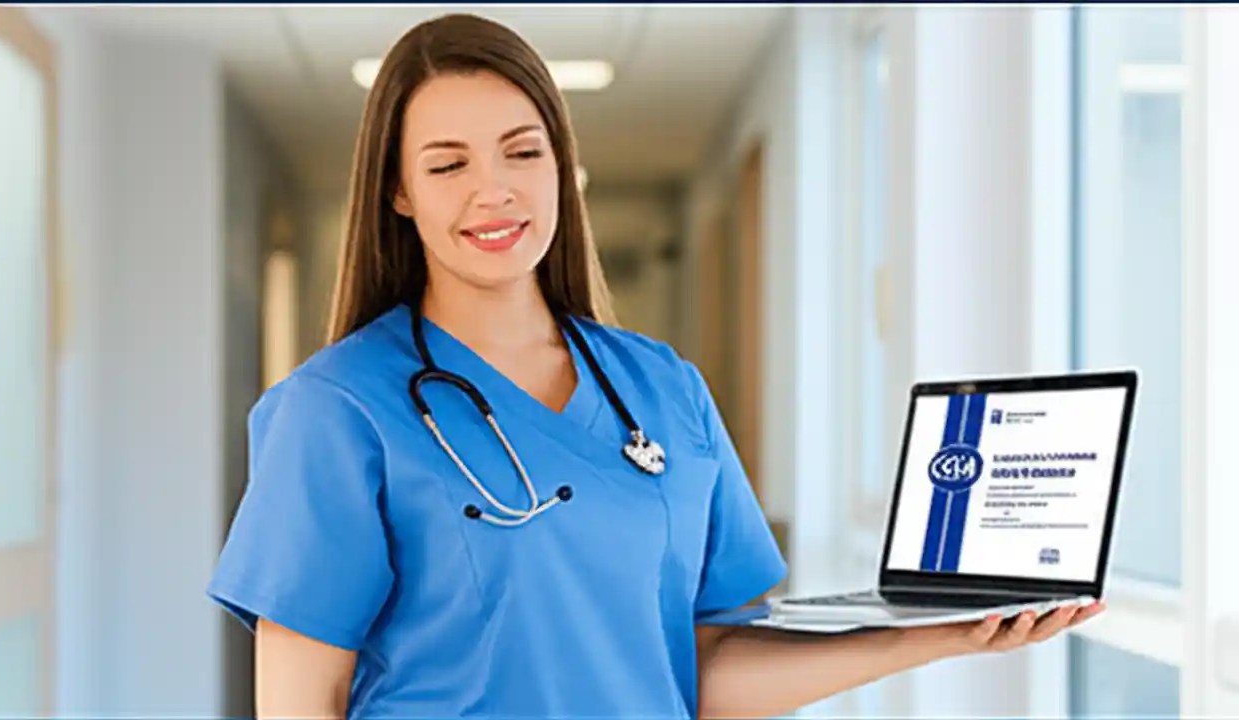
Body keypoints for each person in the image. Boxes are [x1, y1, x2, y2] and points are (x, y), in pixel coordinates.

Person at [206, 12, 1103, 719]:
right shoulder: (338, 410)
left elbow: (703, 673)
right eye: (448, 165)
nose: (496, 191)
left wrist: (944, 638)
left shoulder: (663, 389)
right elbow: (301, 703)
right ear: (398, 192)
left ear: (563, 164)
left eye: (524, 150)